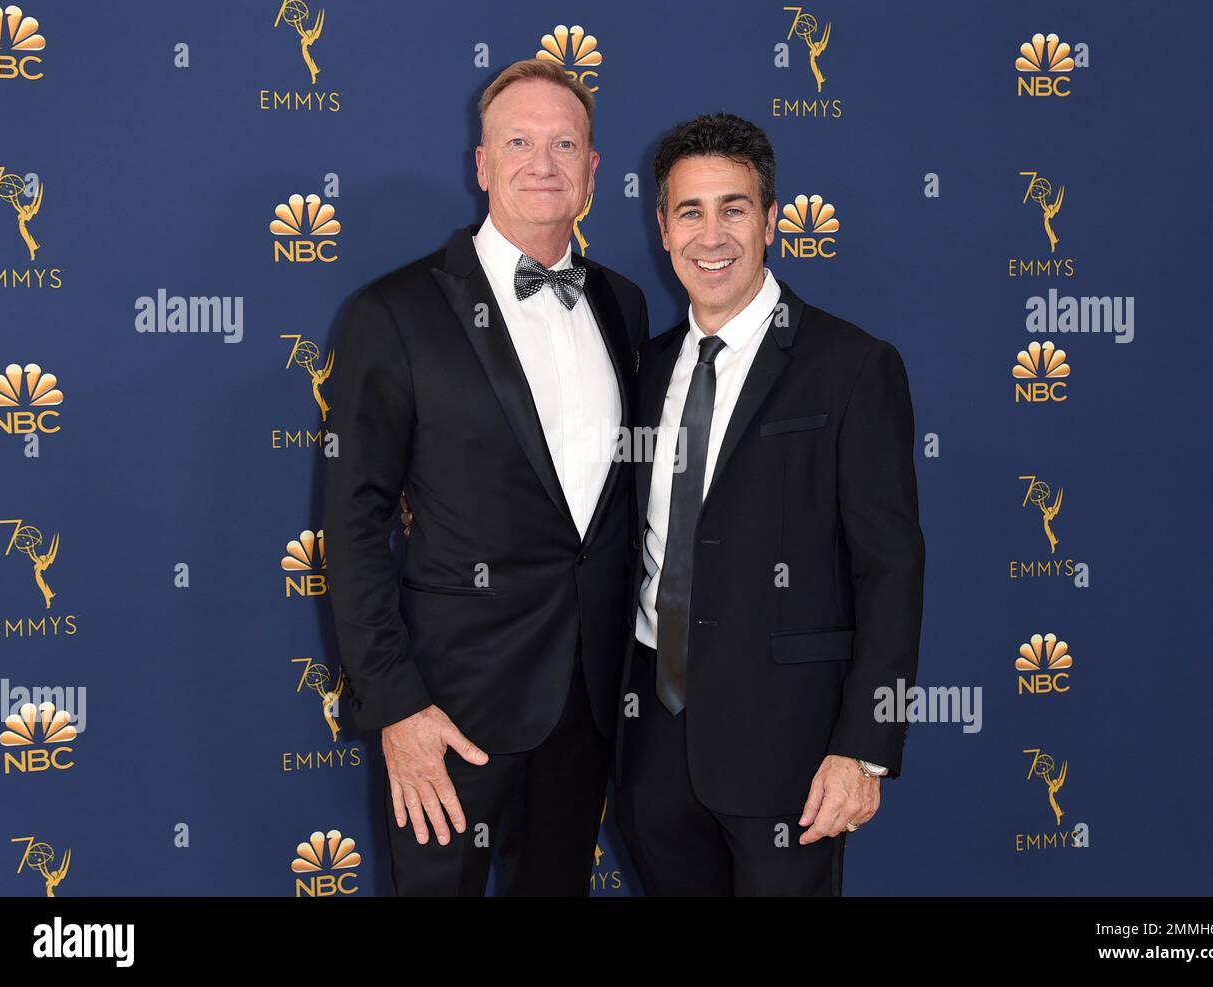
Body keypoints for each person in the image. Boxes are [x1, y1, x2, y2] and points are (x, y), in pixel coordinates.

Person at [324, 59, 647, 896]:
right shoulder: (391, 314)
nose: (542, 162)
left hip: (587, 698)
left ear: (592, 171)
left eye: (564, 143)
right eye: (519, 141)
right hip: (448, 707)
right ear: (480, 164)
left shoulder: (624, 302)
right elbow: (353, 523)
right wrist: (396, 704)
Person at [614, 113, 924, 896]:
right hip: (653, 745)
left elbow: (891, 569)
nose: (710, 235)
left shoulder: (851, 366)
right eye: (690, 211)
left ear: (772, 221)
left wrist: (864, 747)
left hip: (793, 753)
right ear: (662, 226)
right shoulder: (641, 371)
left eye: (734, 208)